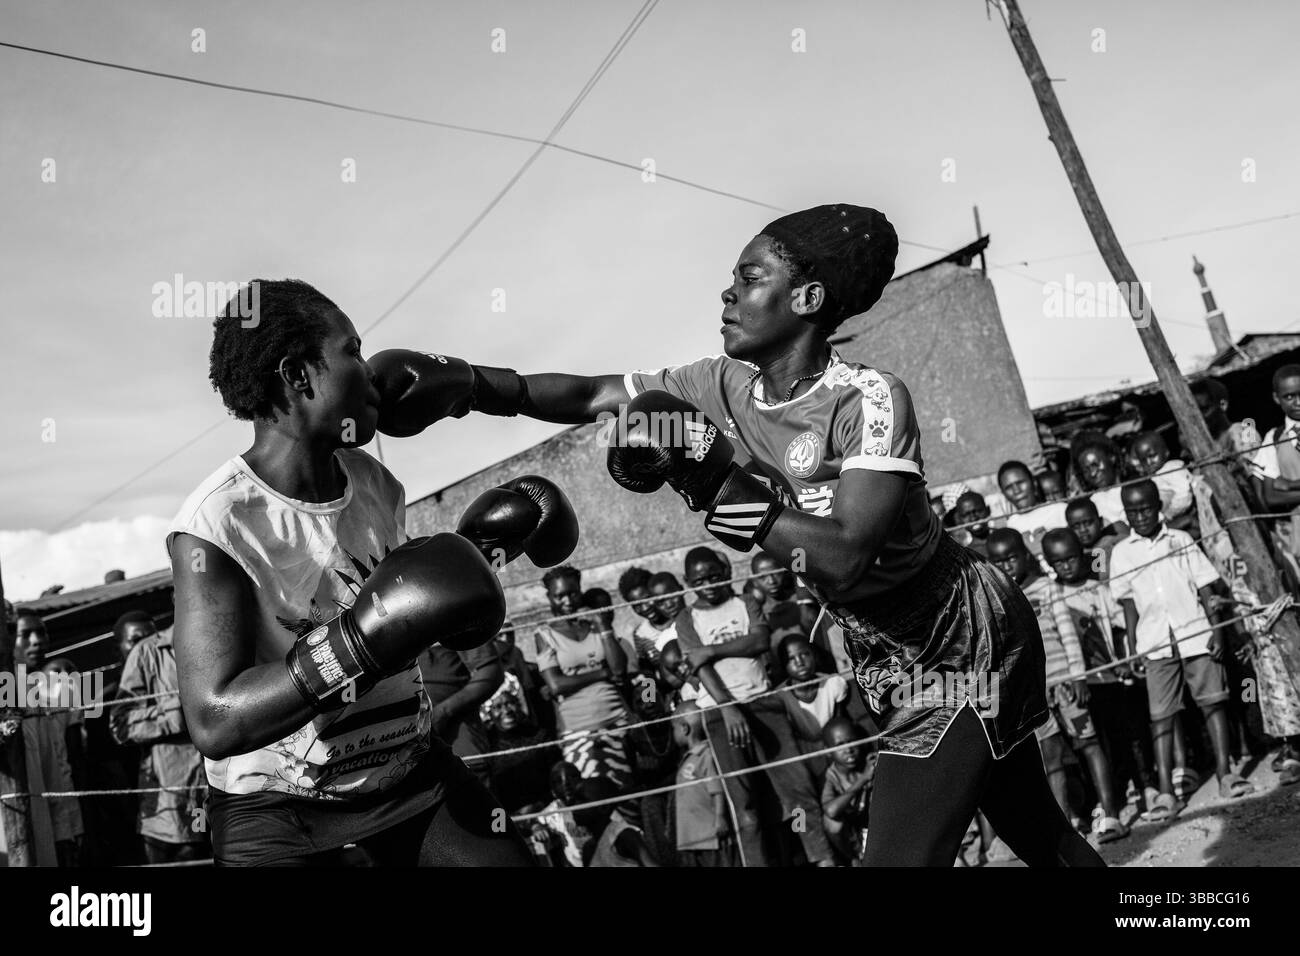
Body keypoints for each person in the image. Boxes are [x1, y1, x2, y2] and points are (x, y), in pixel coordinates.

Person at [464, 202, 1094, 866]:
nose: (727, 293)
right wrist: (472, 386)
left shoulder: (868, 399)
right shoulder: (719, 386)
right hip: (885, 647)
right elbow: (595, 396)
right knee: (1039, 833)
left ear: (807, 297)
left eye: (750, 277)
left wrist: (717, 487)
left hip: (957, 641)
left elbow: (844, 556)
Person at [170, 279, 576, 866]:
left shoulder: (374, 482)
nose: (370, 371)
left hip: (407, 768)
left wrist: (482, 554)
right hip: (277, 806)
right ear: (299, 375)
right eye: (352, 351)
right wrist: (360, 639)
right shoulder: (217, 522)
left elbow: (404, 608)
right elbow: (214, 719)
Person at [673, 546, 833, 867]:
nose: (709, 585)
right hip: (719, 713)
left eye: (714, 577)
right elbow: (699, 667)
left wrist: (710, 650)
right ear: (688, 583)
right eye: (699, 581)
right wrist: (727, 706)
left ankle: (821, 858)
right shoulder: (686, 619)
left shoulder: (745, 602)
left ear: (727, 573)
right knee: (745, 807)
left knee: (796, 790)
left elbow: (759, 641)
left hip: (763, 702)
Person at [1108, 479, 1256, 820]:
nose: (1140, 517)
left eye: (1146, 509)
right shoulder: (1121, 553)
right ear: (1126, 513)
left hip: (1195, 633)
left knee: (1213, 703)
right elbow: (1128, 605)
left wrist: (1216, 631)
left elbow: (1205, 587)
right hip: (1154, 642)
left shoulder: (1181, 540)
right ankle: (1166, 792)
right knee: (1161, 716)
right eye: (1133, 511)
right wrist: (1134, 648)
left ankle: (1225, 773)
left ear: (1158, 507)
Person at [987, 529, 1128, 843]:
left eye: (1011, 557)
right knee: (1052, 759)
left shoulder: (1048, 588)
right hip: (1033, 696)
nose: (1007, 565)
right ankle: (1065, 831)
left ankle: (1111, 815)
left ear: (1026, 556)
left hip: (1066, 686)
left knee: (1088, 743)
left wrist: (1078, 675)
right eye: (998, 561)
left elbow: (1068, 634)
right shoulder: (995, 599)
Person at [1041, 528, 1159, 820]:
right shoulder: (1052, 594)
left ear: (1082, 556)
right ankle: (1105, 799)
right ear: (1050, 564)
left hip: (1107, 677)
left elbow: (1118, 627)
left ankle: (1144, 785)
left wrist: (1124, 659)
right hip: (1076, 683)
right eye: (1059, 562)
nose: (1066, 566)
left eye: (1071, 558)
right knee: (1089, 743)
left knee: (1125, 734)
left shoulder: (1098, 589)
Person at [111, 624, 210, 864]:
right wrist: (177, 712)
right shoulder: (146, 652)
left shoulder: (222, 636)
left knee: (206, 851)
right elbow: (120, 725)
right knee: (181, 854)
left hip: (217, 793)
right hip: (171, 799)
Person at [533, 565, 632, 786]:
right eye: (559, 596)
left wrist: (603, 625)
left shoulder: (596, 626)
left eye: (572, 593)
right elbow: (556, 685)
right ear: (549, 598)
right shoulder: (544, 634)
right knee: (590, 793)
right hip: (578, 730)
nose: (567, 601)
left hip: (617, 721)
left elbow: (619, 669)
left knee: (626, 791)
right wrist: (602, 673)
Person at [672, 701, 734, 866]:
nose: (673, 733)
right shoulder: (689, 758)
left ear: (684, 728)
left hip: (709, 834)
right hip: (692, 837)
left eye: (673, 728)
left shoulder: (705, 755)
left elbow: (717, 789)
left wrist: (720, 816)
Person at [483, 691, 559, 813]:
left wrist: (540, 804)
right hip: (505, 816)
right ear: (489, 713)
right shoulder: (486, 746)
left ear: (519, 704)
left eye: (510, 703)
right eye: (497, 707)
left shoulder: (540, 736)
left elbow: (557, 777)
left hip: (547, 808)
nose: (506, 711)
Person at [820, 717, 875, 866]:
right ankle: (853, 859)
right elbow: (831, 811)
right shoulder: (829, 776)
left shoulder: (869, 762)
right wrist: (863, 779)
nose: (848, 750)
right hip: (853, 835)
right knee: (832, 823)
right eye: (840, 745)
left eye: (851, 742)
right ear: (828, 751)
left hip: (875, 825)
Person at [998, 460, 1069, 561]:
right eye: (1009, 487)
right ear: (1003, 494)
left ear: (1033, 482)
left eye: (1020, 483)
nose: (1016, 491)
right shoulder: (1010, 527)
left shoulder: (1060, 510)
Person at [1128, 431, 1196, 533]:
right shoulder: (1153, 476)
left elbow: (1184, 493)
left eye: (1152, 456)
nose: (1149, 462)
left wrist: (1169, 514)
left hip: (1184, 513)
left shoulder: (1171, 468)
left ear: (1166, 452)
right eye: (1143, 460)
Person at [619, 567, 677, 669]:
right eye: (637, 605)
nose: (645, 608)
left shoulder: (680, 618)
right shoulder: (641, 635)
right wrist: (647, 679)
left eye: (647, 599)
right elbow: (649, 671)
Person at [1065, 496, 1128, 581]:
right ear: (1069, 530)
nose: (1083, 530)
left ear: (1100, 522)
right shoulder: (1073, 556)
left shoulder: (1116, 540)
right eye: (1076, 526)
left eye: (1088, 523)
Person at [1072, 432, 1128, 527]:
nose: (1093, 473)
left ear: (1112, 457)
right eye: (1086, 470)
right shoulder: (1092, 505)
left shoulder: (1136, 488)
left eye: (1095, 465)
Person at [949, 490, 993, 558]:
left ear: (988, 510)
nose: (973, 518)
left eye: (978, 511)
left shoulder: (1005, 537)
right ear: (959, 520)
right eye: (966, 515)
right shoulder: (968, 556)